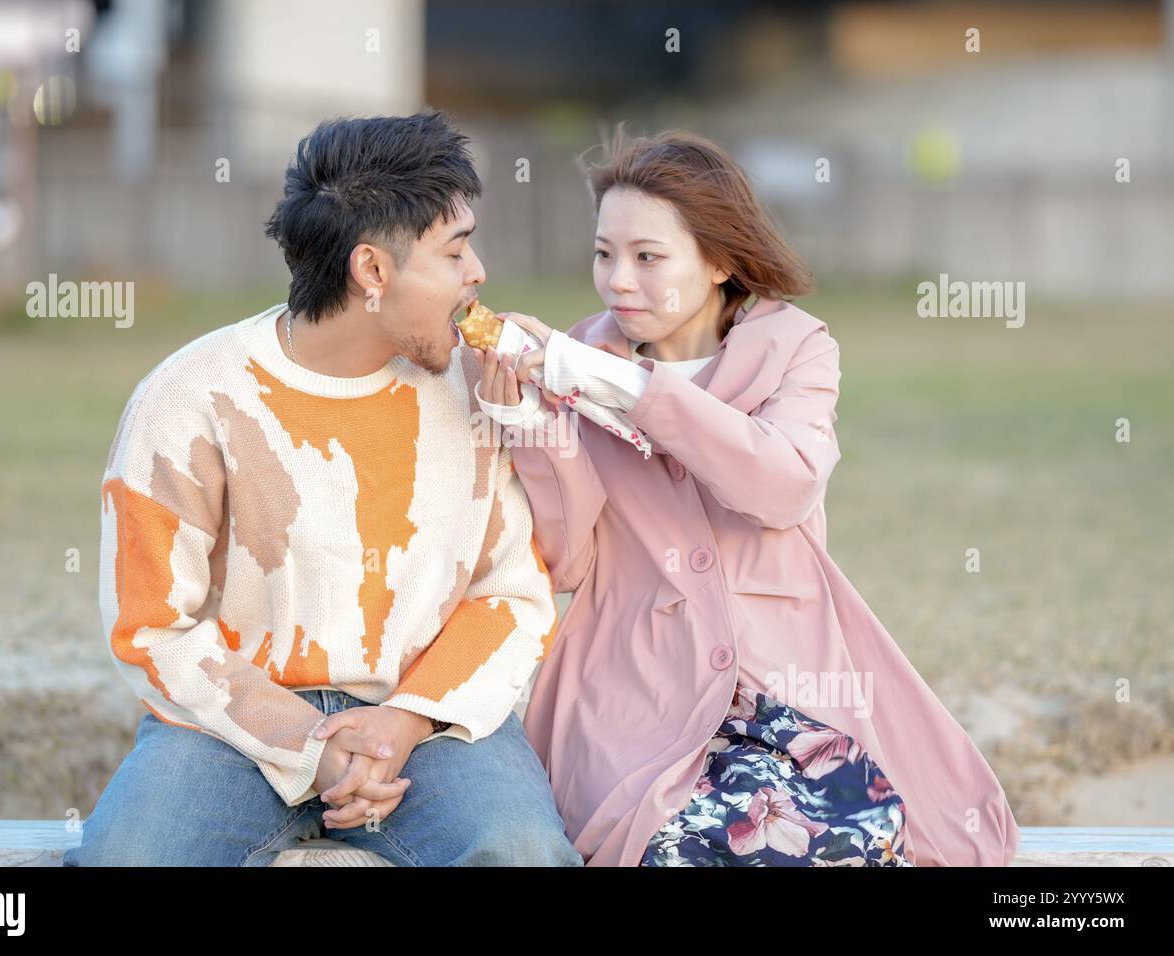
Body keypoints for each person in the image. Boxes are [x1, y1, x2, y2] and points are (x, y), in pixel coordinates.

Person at [470, 126, 1021, 866]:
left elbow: (781, 484)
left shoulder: (796, 347)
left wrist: (616, 385)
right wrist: (530, 423)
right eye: (604, 254)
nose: (618, 280)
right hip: (637, 694)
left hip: (790, 684)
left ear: (720, 260)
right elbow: (566, 559)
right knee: (682, 845)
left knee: (854, 834)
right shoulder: (575, 359)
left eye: (647, 257)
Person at [64, 110, 582, 867]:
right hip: (228, 731)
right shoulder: (191, 397)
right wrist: (311, 744)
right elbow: (151, 627)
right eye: (456, 250)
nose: (478, 272)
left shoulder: (478, 390)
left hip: (431, 726)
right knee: (128, 859)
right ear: (372, 272)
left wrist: (399, 723)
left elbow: (510, 595)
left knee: (524, 853)